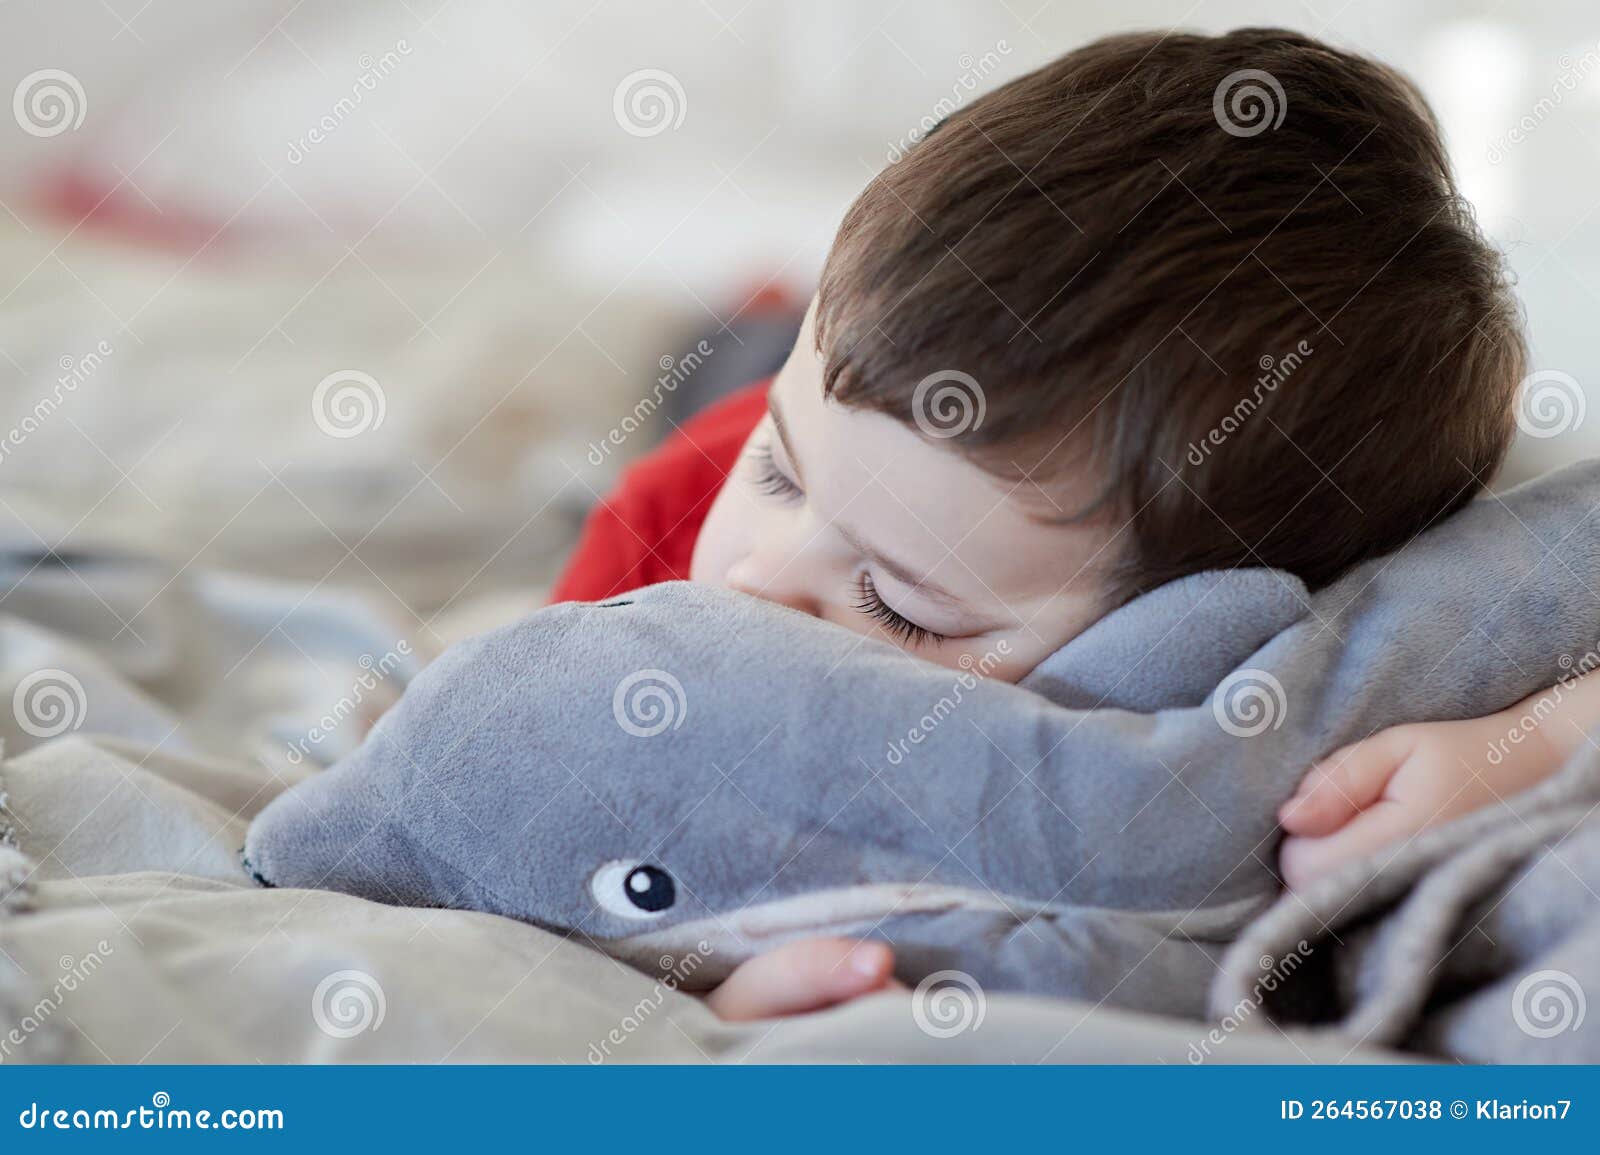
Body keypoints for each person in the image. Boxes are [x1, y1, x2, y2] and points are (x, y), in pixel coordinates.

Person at [552, 27, 1531, 1020]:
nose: (756, 582)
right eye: (780, 476)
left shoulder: (1251, 697)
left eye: (897, 605)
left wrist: (1532, 742)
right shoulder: (673, 527)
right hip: (748, 385)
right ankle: (758, 322)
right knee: (722, 360)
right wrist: (685, 998)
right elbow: (504, 813)